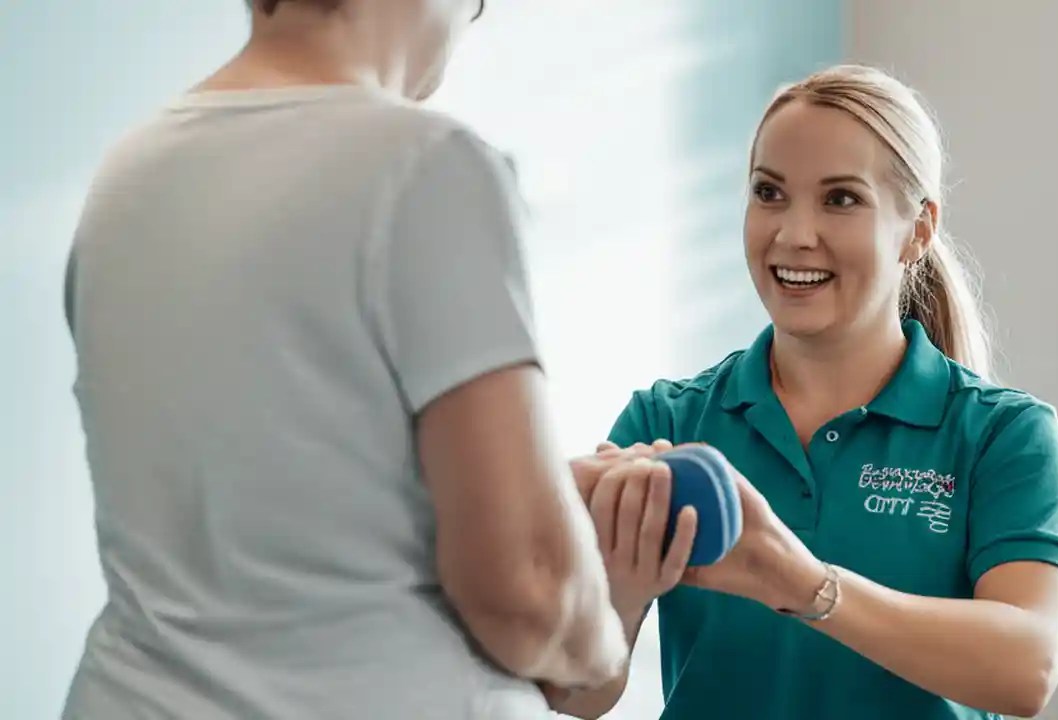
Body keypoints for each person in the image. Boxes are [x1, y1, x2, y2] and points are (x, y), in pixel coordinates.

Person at [60, 1, 634, 717]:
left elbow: (276, 493)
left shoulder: (124, 174)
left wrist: (539, 493)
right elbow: (529, 593)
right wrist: (603, 636)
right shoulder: (427, 165)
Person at [546, 65, 1058, 720]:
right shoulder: (668, 421)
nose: (795, 234)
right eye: (769, 192)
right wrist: (623, 592)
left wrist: (802, 583)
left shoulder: (1003, 435)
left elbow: (1025, 670)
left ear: (917, 230)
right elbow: (578, 694)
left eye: (840, 199)